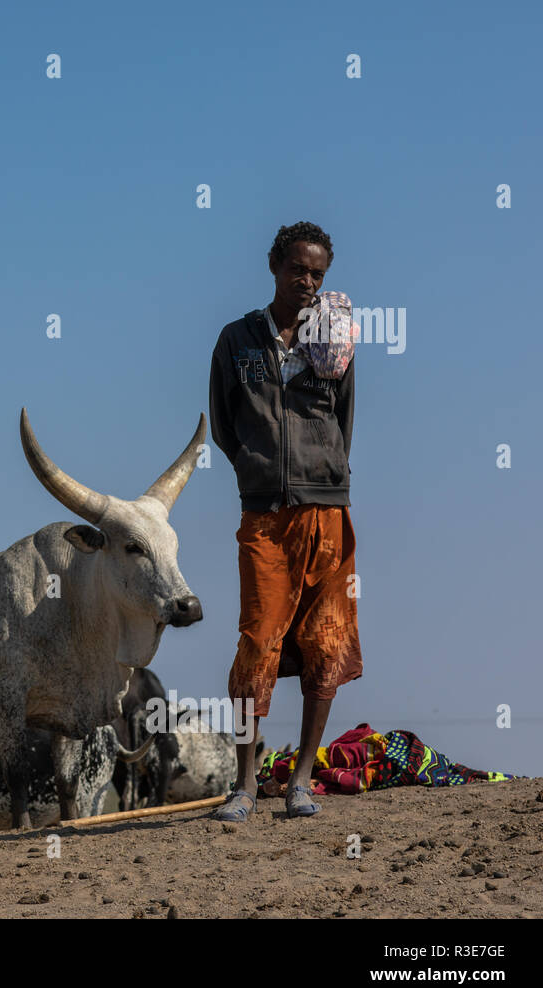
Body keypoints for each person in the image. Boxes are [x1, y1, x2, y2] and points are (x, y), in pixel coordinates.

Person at [207, 221, 363, 821]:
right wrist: (258, 468)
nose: (306, 281)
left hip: (328, 510)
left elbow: (343, 421)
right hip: (264, 518)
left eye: (317, 274)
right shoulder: (236, 340)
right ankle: (245, 783)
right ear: (274, 265)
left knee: (326, 641)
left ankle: (300, 779)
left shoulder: (335, 342)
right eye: (297, 269)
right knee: (257, 642)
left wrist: (325, 477)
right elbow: (224, 425)